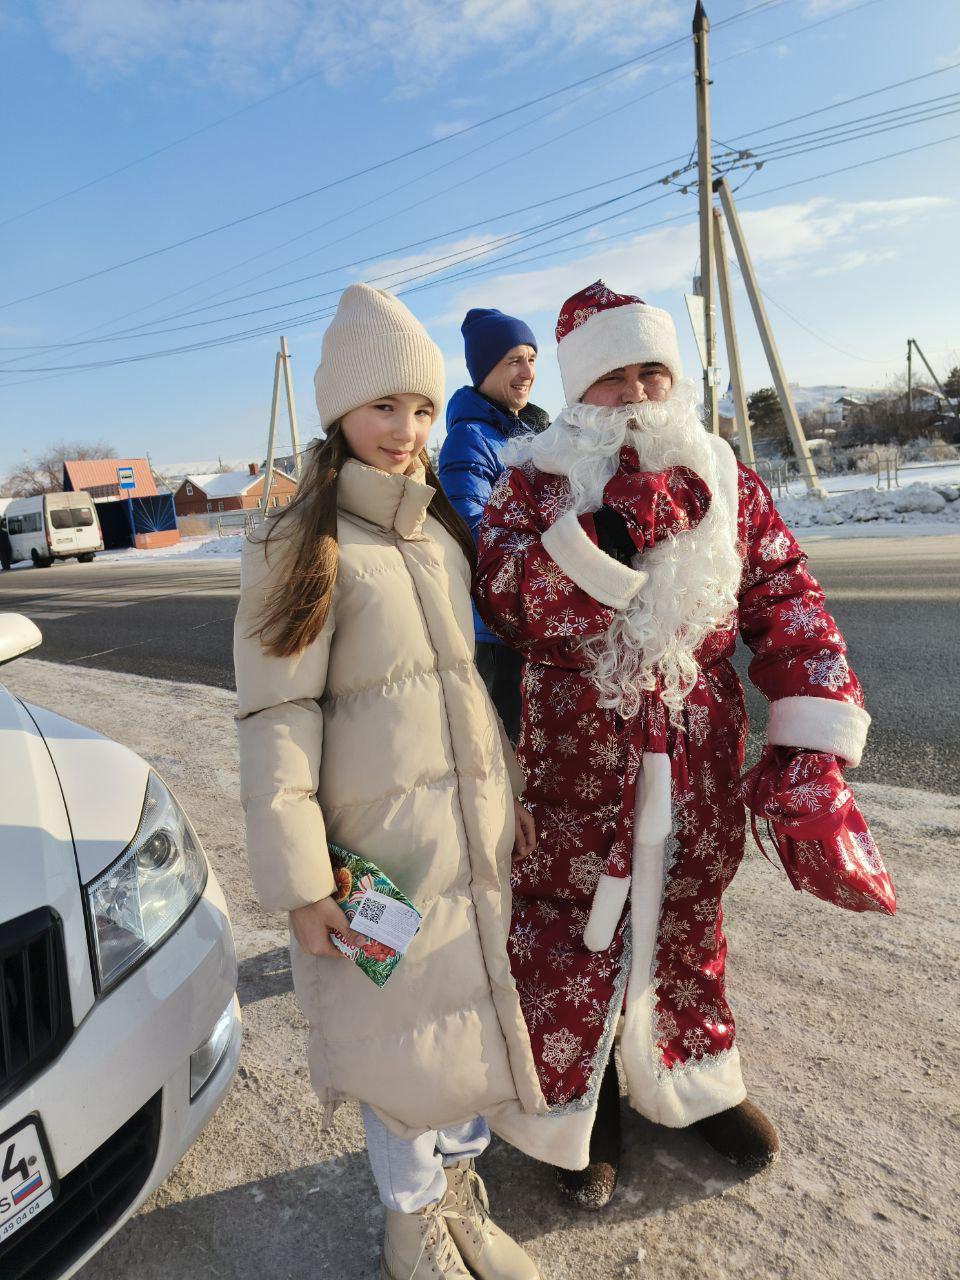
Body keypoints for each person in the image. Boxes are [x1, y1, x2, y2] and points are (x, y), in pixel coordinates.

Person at [473, 280, 875, 1208]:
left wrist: (810, 738)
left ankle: (687, 1090)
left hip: (697, 754)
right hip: (576, 762)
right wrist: (614, 527)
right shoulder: (530, 484)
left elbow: (788, 604)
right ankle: (579, 1109)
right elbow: (506, 604)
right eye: (612, 377)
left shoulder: (727, 477)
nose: (637, 392)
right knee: (570, 933)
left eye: (652, 369)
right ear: (579, 393)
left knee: (689, 918)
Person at [234, 284, 546, 1280]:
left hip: (467, 841)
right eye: (384, 408)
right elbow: (275, 720)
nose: (406, 430)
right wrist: (302, 882)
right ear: (338, 412)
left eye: (421, 408)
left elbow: (469, 688)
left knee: (472, 1041)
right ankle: (411, 1225)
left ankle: (459, 1201)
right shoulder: (301, 541)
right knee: (402, 1056)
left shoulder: (435, 532)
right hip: (379, 863)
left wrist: (514, 800)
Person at [439, 308, 549, 742]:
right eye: (513, 361)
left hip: (533, 616)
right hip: (496, 629)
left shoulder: (528, 432)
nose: (527, 372)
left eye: (532, 359)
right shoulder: (470, 438)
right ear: (485, 368)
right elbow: (471, 529)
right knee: (506, 756)